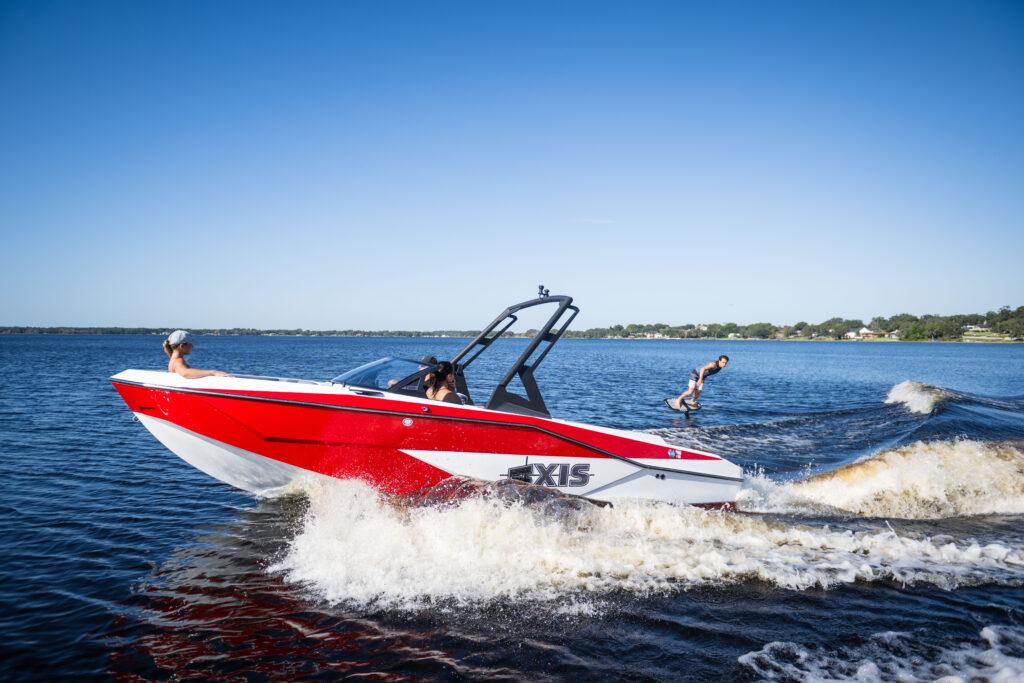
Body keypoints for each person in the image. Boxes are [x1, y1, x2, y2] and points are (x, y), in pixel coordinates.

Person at [163, 330, 230, 379]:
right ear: (182, 346)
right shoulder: (178, 361)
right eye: (190, 344)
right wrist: (213, 372)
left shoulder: (173, 359)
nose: (192, 346)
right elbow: (185, 373)